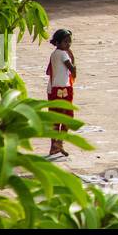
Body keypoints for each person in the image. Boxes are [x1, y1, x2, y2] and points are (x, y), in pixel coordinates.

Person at [46, 28, 76, 158]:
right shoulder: (63, 54)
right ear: (57, 43)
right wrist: (71, 56)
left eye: (69, 42)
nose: (68, 44)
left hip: (52, 88)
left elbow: (48, 71)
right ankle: (60, 142)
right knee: (67, 116)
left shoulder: (54, 54)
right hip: (62, 89)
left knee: (55, 117)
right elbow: (72, 68)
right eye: (65, 42)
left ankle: (54, 146)